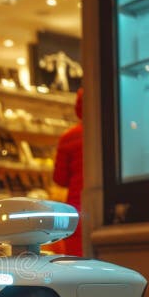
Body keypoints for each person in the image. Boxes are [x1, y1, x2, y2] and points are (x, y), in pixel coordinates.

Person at [53, 87, 84, 257]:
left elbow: (59, 178)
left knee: (78, 262)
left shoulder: (68, 137)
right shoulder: (114, 133)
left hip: (76, 209)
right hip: (105, 207)